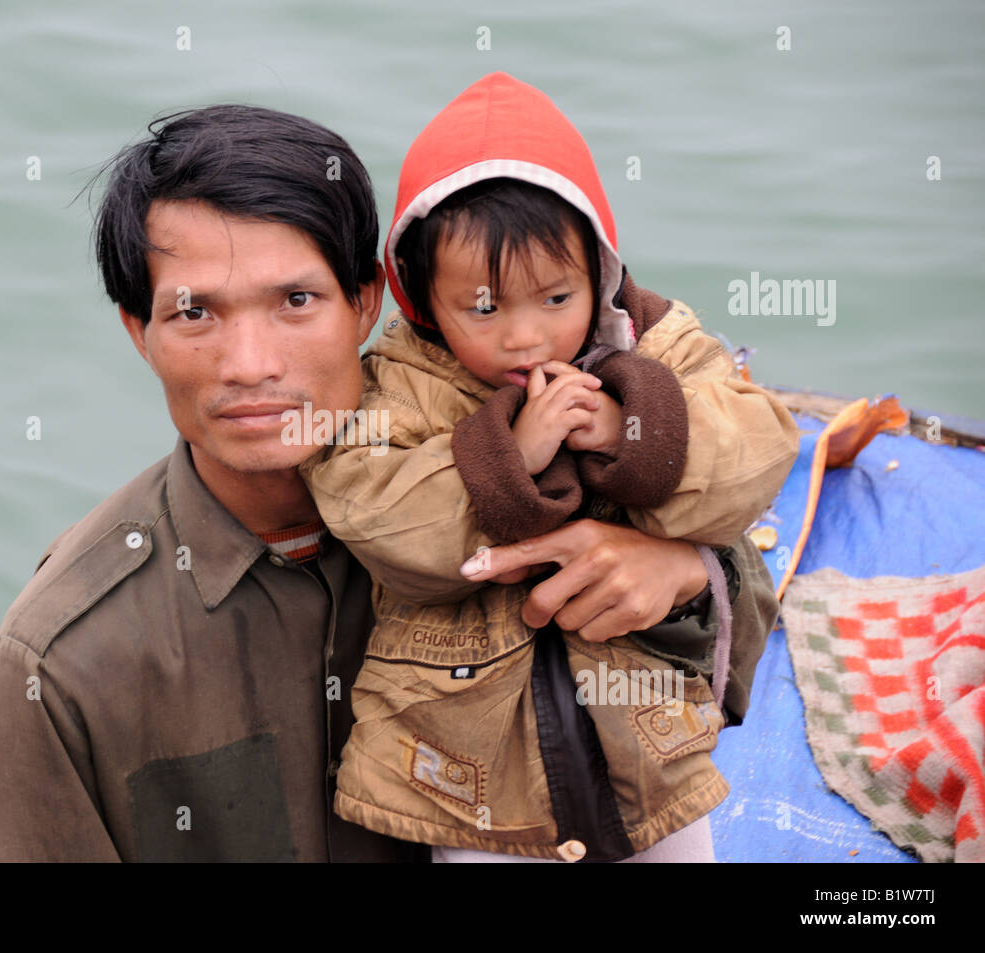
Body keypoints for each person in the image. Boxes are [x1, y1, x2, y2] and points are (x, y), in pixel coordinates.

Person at [0, 101, 782, 862]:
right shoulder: (61, 659)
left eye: (296, 300)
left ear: (369, 302)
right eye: (195, 313)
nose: (250, 364)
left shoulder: (501, 498)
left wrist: (685, 574)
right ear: (139, 330)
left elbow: (745, 620)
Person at [299, 73, 798, 861]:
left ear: (598, 270)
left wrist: (631, 429)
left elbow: (759, 450)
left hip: (651, 747)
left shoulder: (651, 341)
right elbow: (379, 517)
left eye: (556, 297)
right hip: (463, 773)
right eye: (485, 308)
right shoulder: (399, 382)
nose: (526, 337)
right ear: (422, 295)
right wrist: (512, 456)